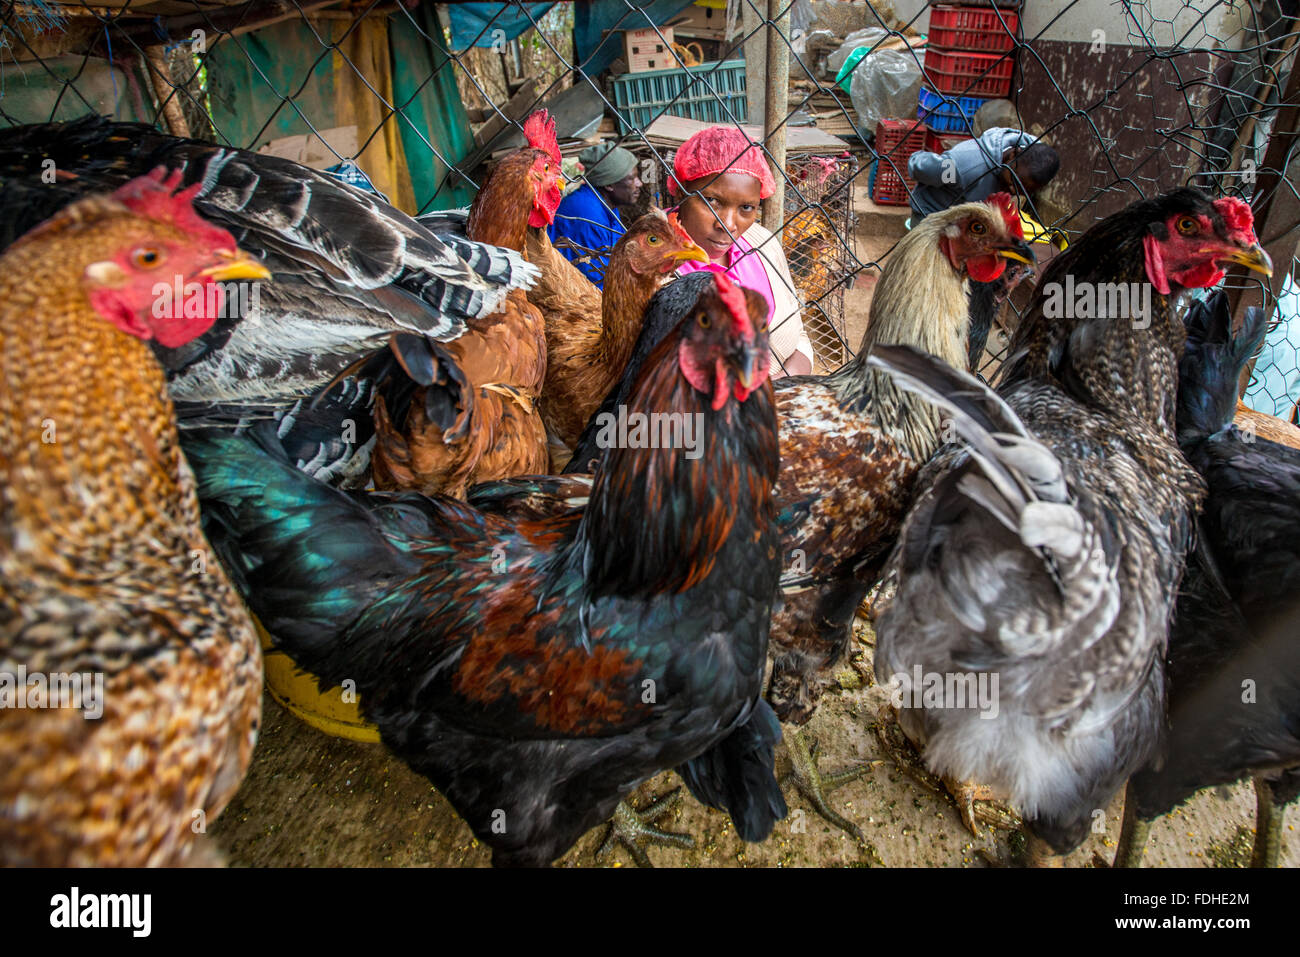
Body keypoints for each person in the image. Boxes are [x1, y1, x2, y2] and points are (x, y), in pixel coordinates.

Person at [667, 126, 814, 378]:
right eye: (712, 201)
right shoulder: (654, 268)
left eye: (746, 207)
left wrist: (784, 384)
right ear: (682, 191)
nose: (728, 224)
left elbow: (799, 336)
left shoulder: (762, 243)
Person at [907, 127, 1059, 223]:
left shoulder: (1034, 152)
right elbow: (920, 167)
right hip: (932, 215)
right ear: (1013, 155)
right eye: (1014, 180)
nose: (1013, 191)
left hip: (971, 219)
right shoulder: (960, 168)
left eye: (1024, 190)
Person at [547, 142, 642, 287]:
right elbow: (596, 283)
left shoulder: (607, 204)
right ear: (609, 184)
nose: (639, 184)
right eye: (631, 179)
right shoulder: (588, 217)